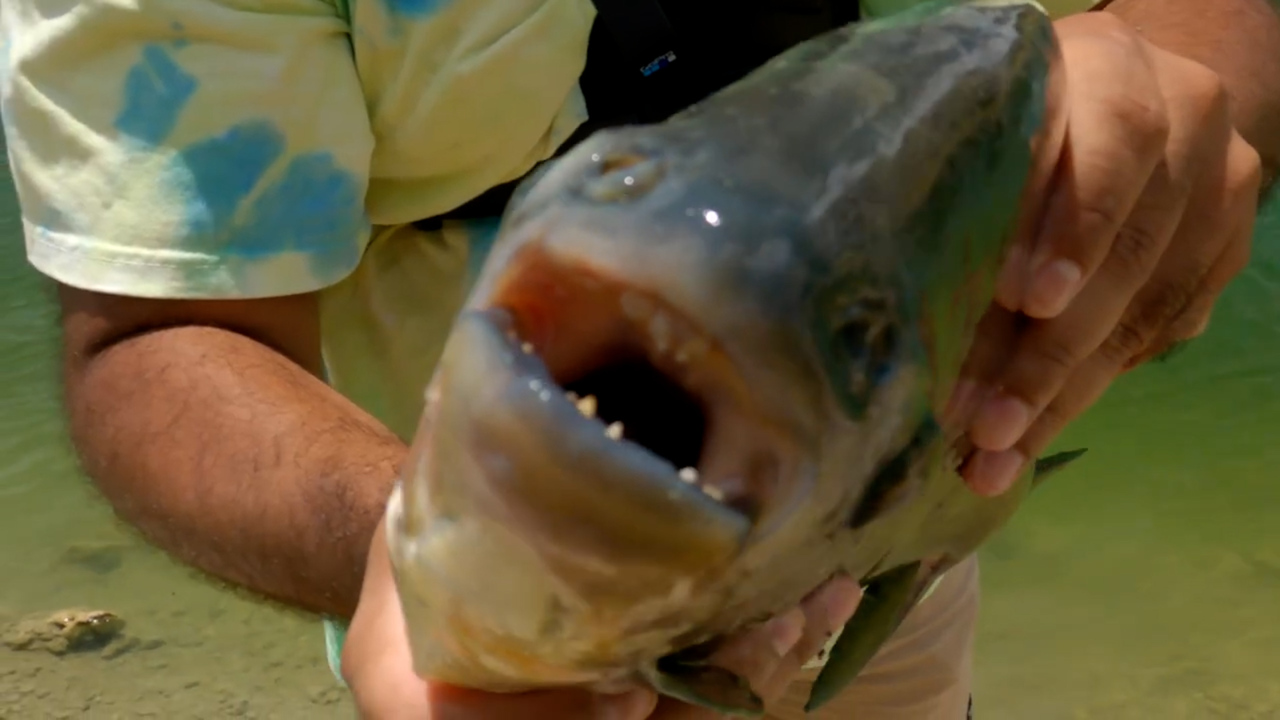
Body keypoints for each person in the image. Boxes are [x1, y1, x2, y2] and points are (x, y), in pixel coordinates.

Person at [1, 0, 1275, 716]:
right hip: (425, 549)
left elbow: (1215, 38)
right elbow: (161, 323)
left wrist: (1175, 82)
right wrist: (412, 546)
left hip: (888, 542)